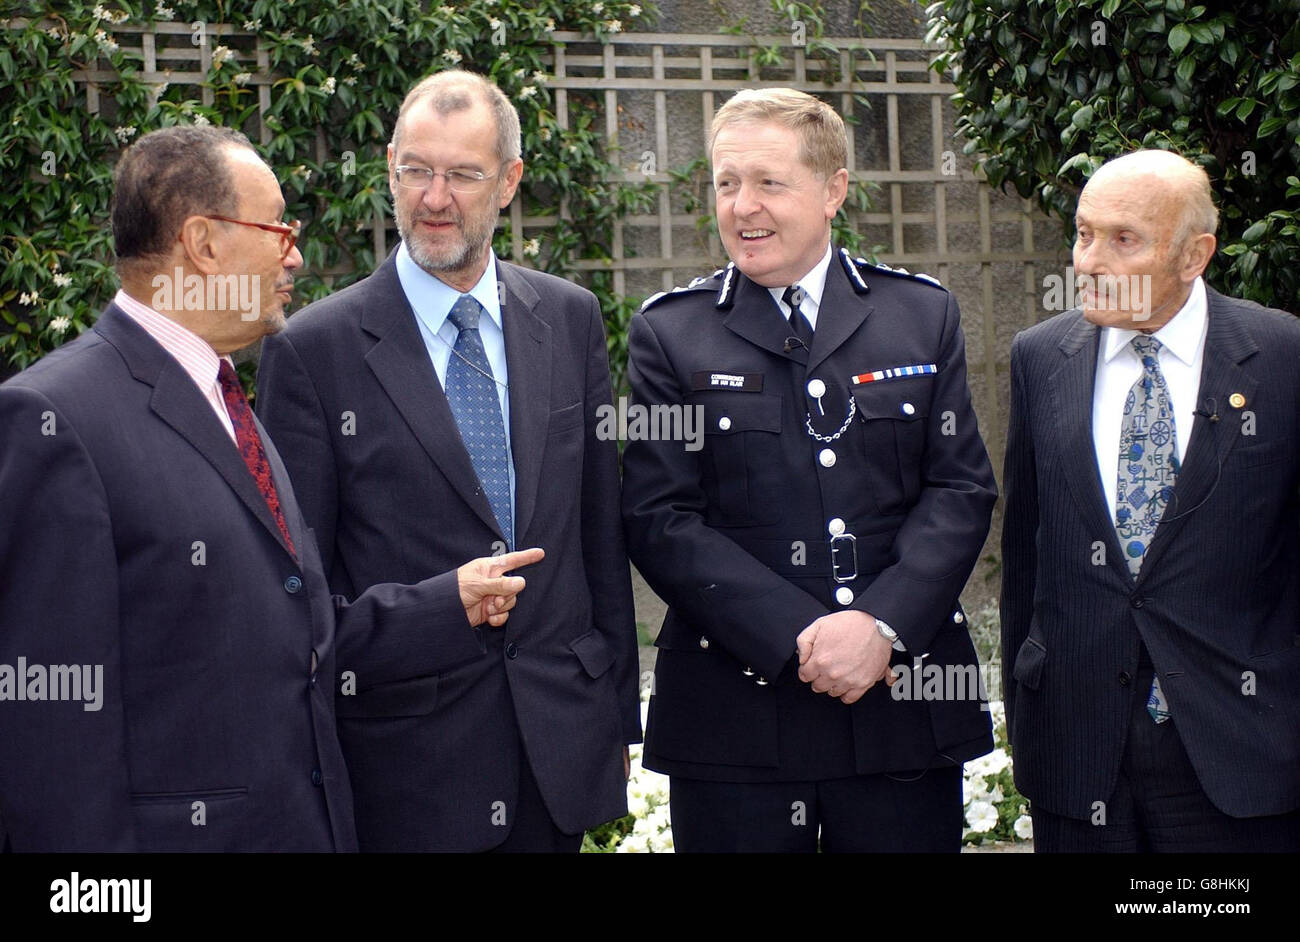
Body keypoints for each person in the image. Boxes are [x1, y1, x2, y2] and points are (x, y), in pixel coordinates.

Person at [0, 124, 541, 852]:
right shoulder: (56, 419)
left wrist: (445, 604)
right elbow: (51, 734)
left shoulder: (227, 400)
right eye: (277, 227)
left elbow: (294, 637)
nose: (295, 253)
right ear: (204, 242)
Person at [256, 70, 640, 853]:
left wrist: (613, 715)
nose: (434, 198)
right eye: (415, 171)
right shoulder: (312, 352)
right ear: (390, 167)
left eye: (462, 174)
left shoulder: (569, 318)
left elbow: (600, 534)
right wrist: (439, 608)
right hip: (408, 776)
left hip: (555, 762)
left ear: (508, 183)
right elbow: (295, 601)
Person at [620, 87, 997, 852]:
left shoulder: (920, 315)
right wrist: (803, 634)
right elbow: (658, 517)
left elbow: (959, 489)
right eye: (726, 184)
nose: (742, 206)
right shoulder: (671, 334)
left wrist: (880, 626)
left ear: (833, 190)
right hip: (737, 723)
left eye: (768, 182)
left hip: (899, 712)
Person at [1001, 149, 1300, 852]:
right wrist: (1029, 720)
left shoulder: (1282, 356)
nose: (1089, 260)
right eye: (1082, 233)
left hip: (1240, 756)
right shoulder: (1041, 357)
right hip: (1080, 760)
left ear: (1194, 255)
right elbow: (1026, 555)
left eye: (1123, 239)